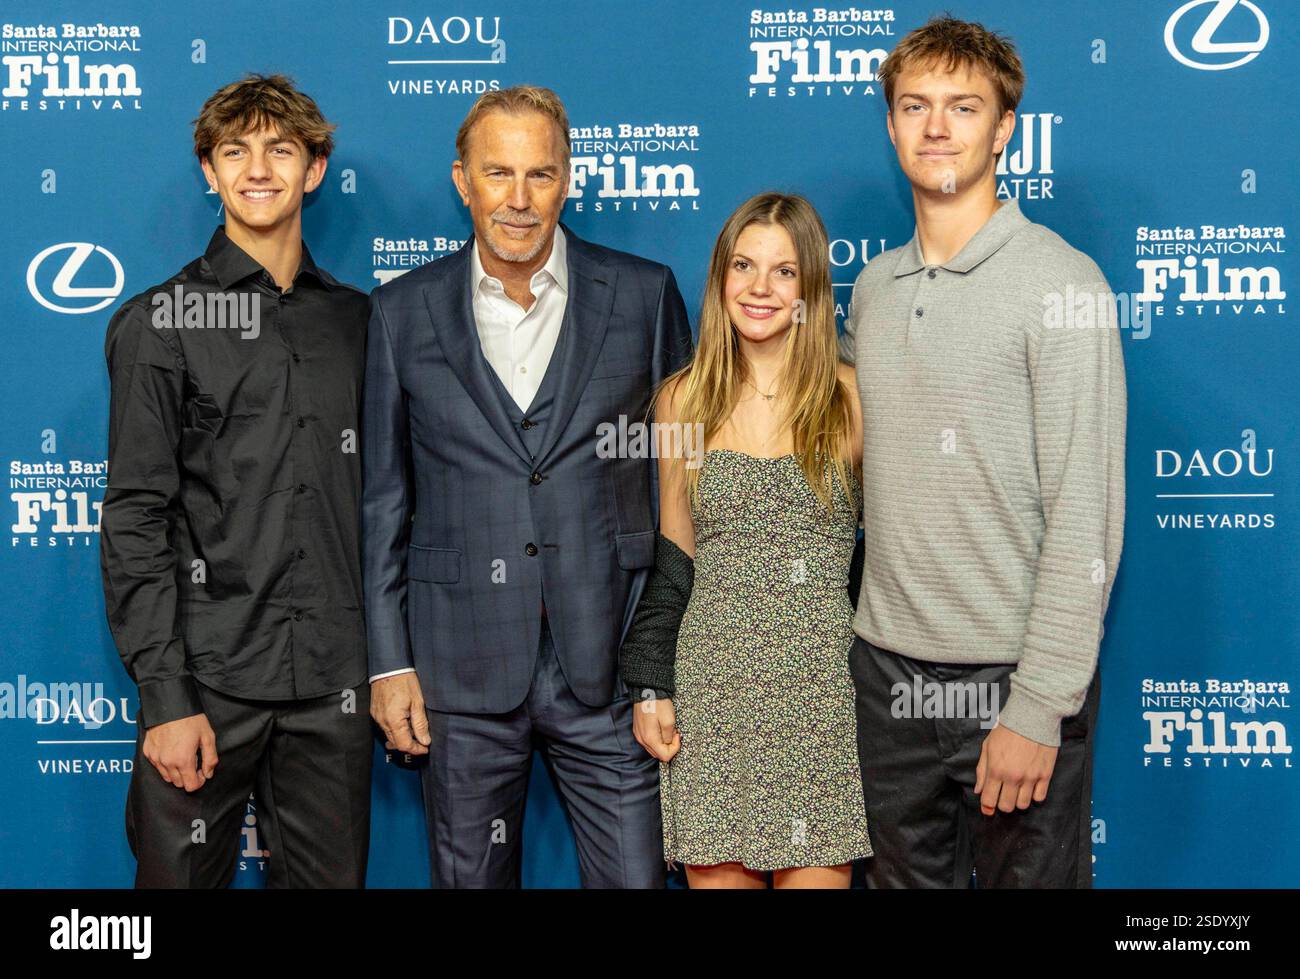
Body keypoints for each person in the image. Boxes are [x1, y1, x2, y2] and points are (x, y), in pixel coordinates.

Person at [362, 85, 693, 888]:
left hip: (609, 664)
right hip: (458, 667)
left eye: (540, 174)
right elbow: (381, 499)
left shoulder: (644, 295)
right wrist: (386, 662)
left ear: (568, 179)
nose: (518, 199)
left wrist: (666, 657)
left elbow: (682, 485)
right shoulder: (400, 312)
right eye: (498, 173)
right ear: (461, 180)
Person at [839, 16, 1126, 888]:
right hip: (883, 680)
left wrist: (1039, 705)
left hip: (1011, 682)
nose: (937, 127)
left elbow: (1087, 512)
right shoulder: (874, 291)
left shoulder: (1063, 285)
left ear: (1004, 128)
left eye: (964, 107)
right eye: (915, 106)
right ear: (890, 125)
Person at [100, 74, 373, 888]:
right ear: (209, 173)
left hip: (335, 686)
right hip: (206, 684)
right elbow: (137, 518)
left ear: (314, 169)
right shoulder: (161, 322)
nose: (259, 168)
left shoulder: (360, 323)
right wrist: (166, 696)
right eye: (235, 150)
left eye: (281, 149)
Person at [622, 192, 872, 889]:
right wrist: (649, 681)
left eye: (784, 272)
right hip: (713, 699)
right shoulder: (681, 400)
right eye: (744, 265)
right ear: (720, 277)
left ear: (811, 289)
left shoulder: (852, 398)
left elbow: (882, 561)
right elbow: (674, 558)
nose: (760, 288)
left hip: (824, 696)